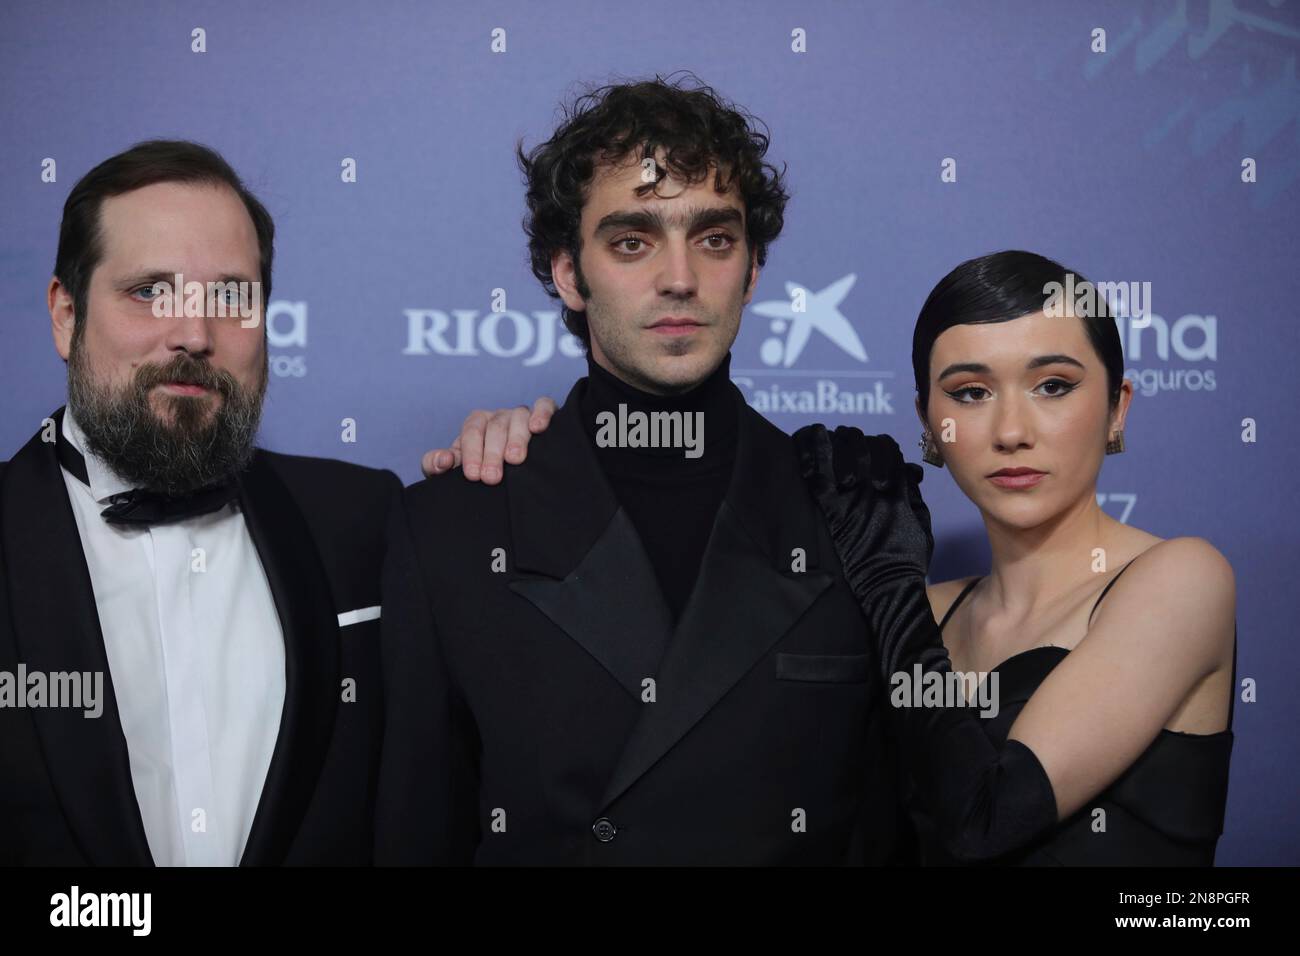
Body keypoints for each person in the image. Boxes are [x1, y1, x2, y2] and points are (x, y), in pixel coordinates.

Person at [374, 74, 917, 865]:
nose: (680, 278)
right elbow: (418, 833)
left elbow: (893, 828)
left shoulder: (853, 504)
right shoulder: (450, 527)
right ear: (568, 273)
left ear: (753, 270)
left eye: (715, 238)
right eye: (632, 240)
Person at [0, 140, 539, 865]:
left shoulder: (367, 521)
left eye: (230, 297)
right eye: (151, 292)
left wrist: (529, 460)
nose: (193, 334)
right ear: (66, 314)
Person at [792, 250, 1237, 864]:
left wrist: (886, 574)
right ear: (928, 422)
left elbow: (990, 818)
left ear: (1117, 407)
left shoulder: (1181, 580)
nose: (1010, 431)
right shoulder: (924, 614)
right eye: (970, 393)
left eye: (1053, 385)